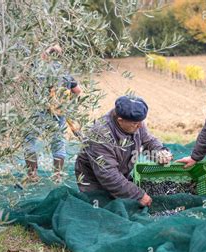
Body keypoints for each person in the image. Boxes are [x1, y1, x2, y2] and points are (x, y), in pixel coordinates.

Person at [75, 95, 172, 207]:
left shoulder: (135, 122)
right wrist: (138, 195)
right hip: (95, 181)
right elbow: (108, 174)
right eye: (136, 124)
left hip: (120, 173)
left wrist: (159, 151)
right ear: (120, 121)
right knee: (106, 211)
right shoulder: (101, 135)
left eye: (141, 121)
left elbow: (148, 140)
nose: (140, 126)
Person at [24, 44, 82, 183]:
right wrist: (67, 104)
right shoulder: (65, 74)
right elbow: (78, 91)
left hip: (38, 111)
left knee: (29, 141)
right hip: (59, 113)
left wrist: (48, 49)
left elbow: (35, 61)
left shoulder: (39, 69)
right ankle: (57, 175)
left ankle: (33, 175)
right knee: (58, 142)